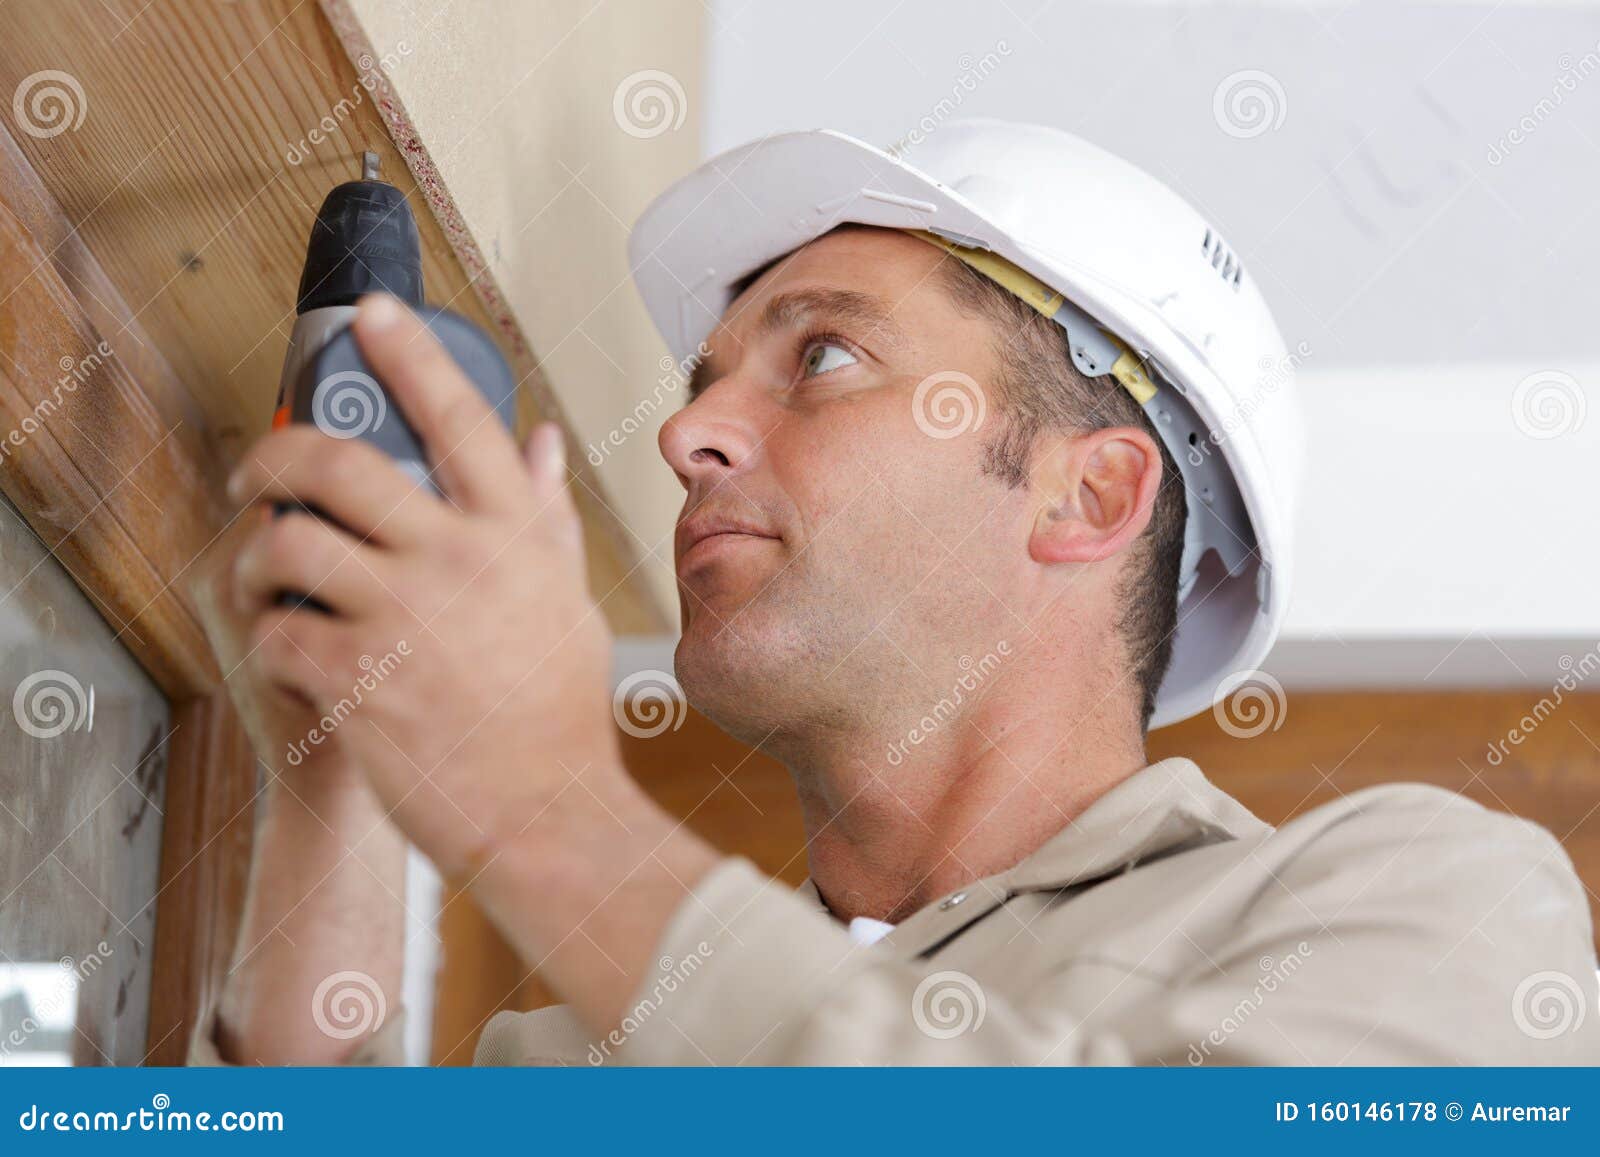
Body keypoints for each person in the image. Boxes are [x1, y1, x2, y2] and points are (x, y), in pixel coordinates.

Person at [193, 121, 1599, 1066]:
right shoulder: (584, 1055)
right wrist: (345, 741)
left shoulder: (1431, 908)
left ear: (1088, 495)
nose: (687, 439)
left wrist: (539, 801)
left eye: (819, 359)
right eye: (700, 389)